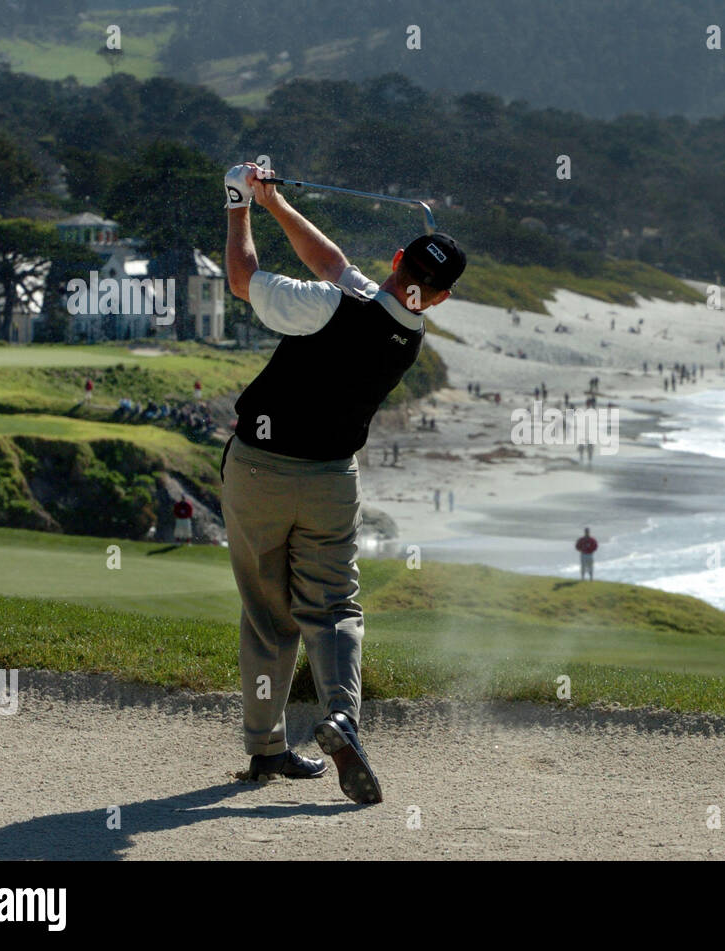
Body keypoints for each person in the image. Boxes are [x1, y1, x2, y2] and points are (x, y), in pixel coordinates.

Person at [222, 162, 466, 804]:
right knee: (332, 610)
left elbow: (242, 280)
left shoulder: (328, 306)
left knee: (267, 614)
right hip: (331, 480)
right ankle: (340, 718)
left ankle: (267, 748)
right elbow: (333, 262)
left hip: (257, 470)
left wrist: (238, 204)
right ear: (439, 297)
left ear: (394, 258)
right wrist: (275, 203)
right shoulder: (407, 330)